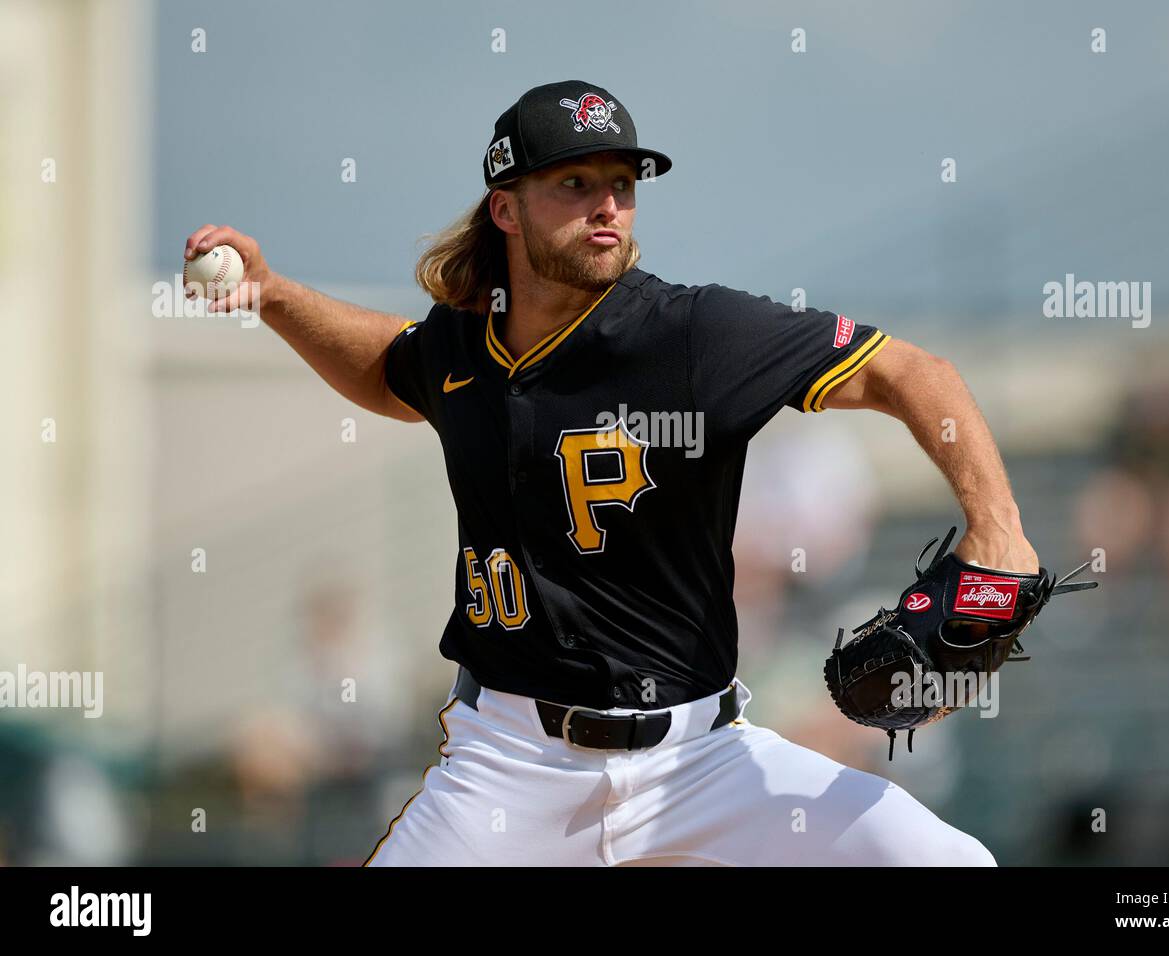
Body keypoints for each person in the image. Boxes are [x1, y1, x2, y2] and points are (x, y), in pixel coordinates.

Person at [185, 80, 1037, 866]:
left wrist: (996, 527)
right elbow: (387, 369)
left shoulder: (695, 336)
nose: (608, 207)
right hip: (510, 765)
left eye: (623, 184)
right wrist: (272, 293)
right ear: (506, 209)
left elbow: (914, 373)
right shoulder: (461, 349)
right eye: (576, 183)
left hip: (702, 760)